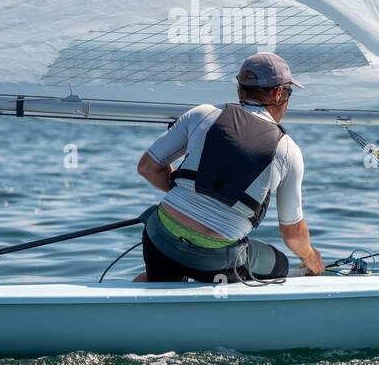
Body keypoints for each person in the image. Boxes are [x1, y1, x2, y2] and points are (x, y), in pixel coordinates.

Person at [134, 52, 324, 282]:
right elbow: (292, 233)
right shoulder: (288, 150)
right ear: (278, 93)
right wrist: (312, 259)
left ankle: (147, 286)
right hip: (214, 261)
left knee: (159, 274)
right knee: (280, 263)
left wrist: (189, 196)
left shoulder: (202, 114)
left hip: (158, 239)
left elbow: (148, 167)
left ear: (240, 89)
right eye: (289, 93)